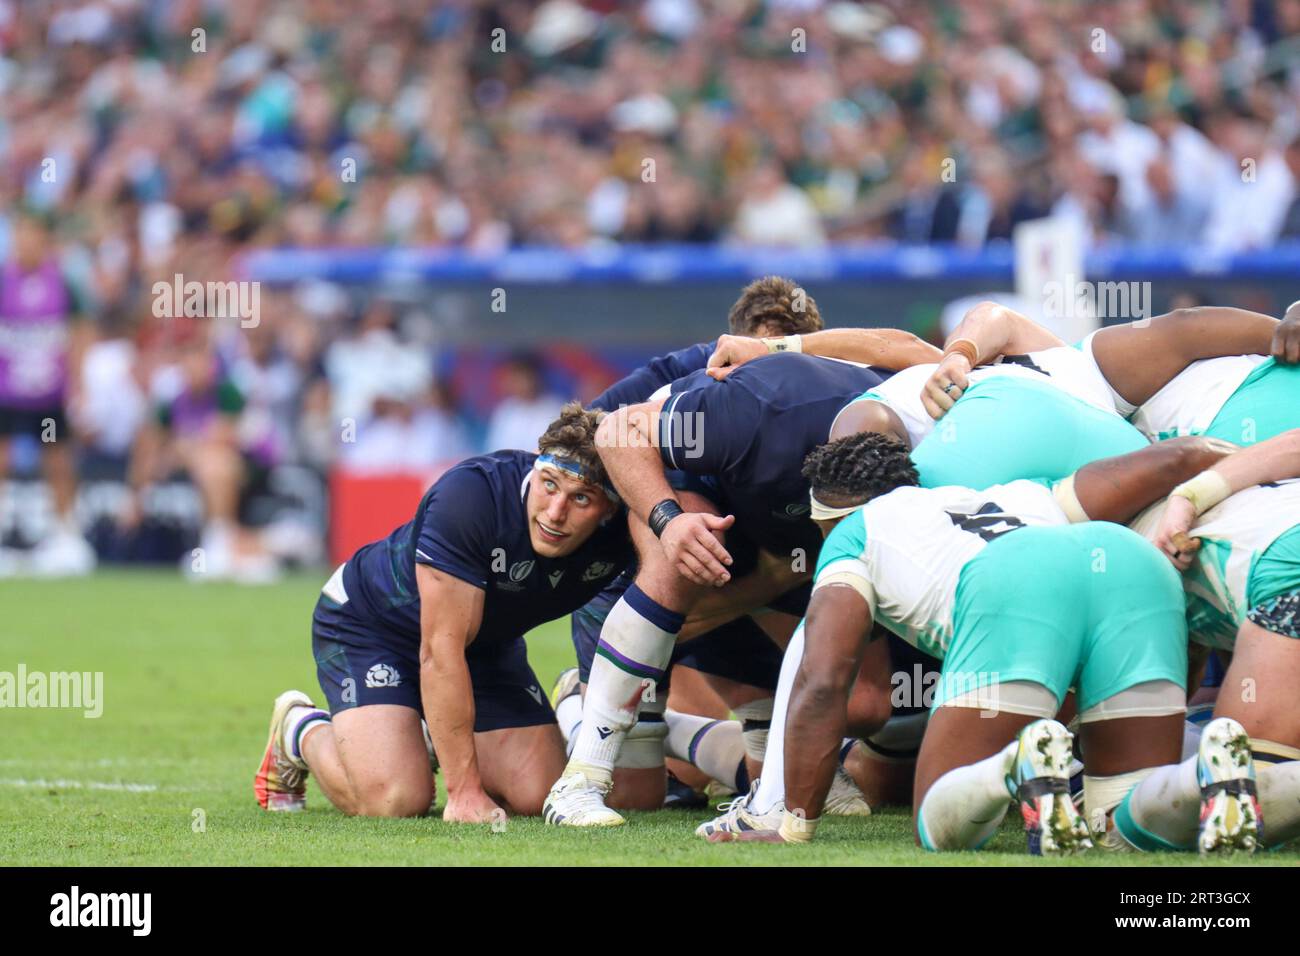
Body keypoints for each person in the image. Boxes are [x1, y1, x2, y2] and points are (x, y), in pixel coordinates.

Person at [736, 432, 1190, 856]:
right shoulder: (1005, 492)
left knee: (935, 825)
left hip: (1015, 583)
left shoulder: (852, 534)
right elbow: (1170, 456)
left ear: (828, 520)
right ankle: (1206, 779)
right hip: (1132, 563)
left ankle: (1016, 767)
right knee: (1118, 823)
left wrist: (793, 823)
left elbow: (823, 680)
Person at [254, 403, 632, 821]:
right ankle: (299, 729)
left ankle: (428, 736)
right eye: (548, 485)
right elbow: (439, 651)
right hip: (371, 625)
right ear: (535, 468)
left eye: (581, 498)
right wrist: (464, 790)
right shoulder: (472, 496)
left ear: (610, 509)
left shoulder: (623, 533)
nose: (555, 512)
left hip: (484, 643)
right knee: (397, 800)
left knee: (537, 794)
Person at [0, 209, 97, 575]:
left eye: (33, 235)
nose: (26, 242)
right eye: (21, 235)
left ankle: (65, 535)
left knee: (56, 460)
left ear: (46, 241)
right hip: (6, 392)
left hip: (47, 394)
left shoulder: (63, 284)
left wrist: (79, 383)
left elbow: (81, 332)